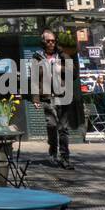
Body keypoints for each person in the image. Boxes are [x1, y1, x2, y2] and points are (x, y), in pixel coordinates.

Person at [29, 29, 75, 169]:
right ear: (43, 42)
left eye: (53, 41)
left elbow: (74, 74)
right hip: (47, 98)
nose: (51, 43)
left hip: (63, 97)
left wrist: (60, 69)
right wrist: (36, 99)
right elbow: (35, 80)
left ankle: (65, 158)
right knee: (52, 125)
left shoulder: (63, 56)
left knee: (63, 129)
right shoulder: (37, 57)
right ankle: (53, 152)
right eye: (48, 41)